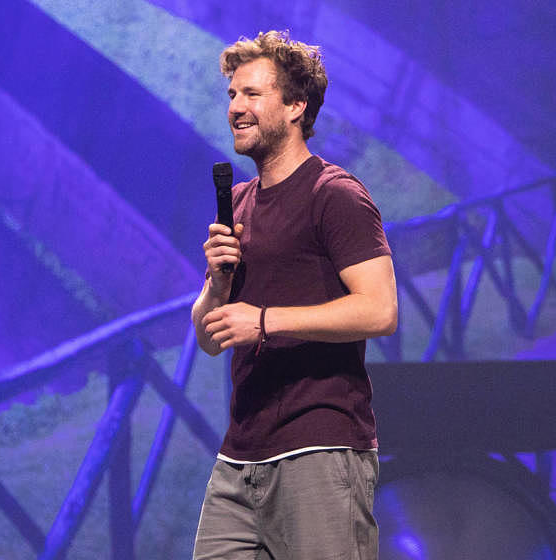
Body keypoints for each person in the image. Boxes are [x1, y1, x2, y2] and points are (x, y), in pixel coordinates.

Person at [191, 30, 398, 560]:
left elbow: (380, 309)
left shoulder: (334, 194)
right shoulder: (238, 203)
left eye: (252, 94)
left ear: (295, 106)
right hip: (240, 458)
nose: (236, 107)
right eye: (232, 95)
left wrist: (264, 321)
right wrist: (217, 285)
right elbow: (211, 339)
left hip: (319, 448)